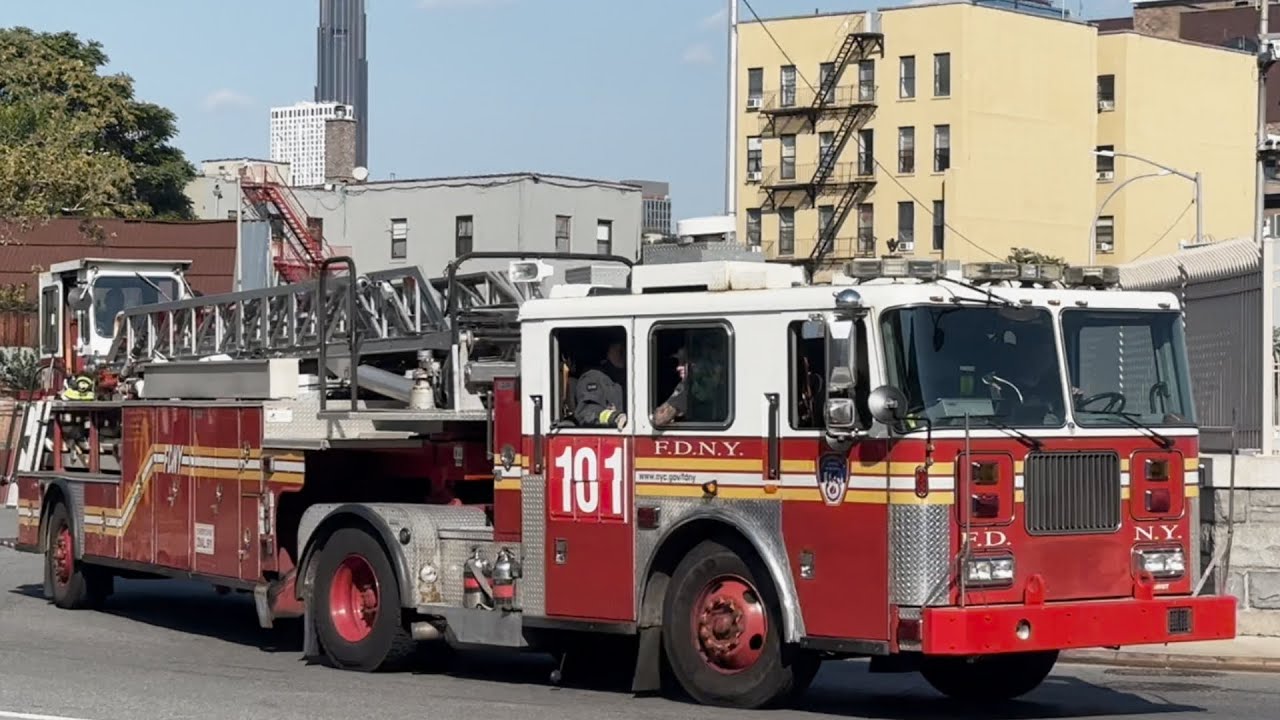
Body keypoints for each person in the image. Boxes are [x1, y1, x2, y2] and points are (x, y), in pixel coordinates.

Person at [574, 339, 628, 428]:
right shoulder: (593, 377)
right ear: (607, 352)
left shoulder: (633, 378)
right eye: (620, 349)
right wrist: (613, 417)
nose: (624, 353)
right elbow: (588, 413)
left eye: (625, 347)